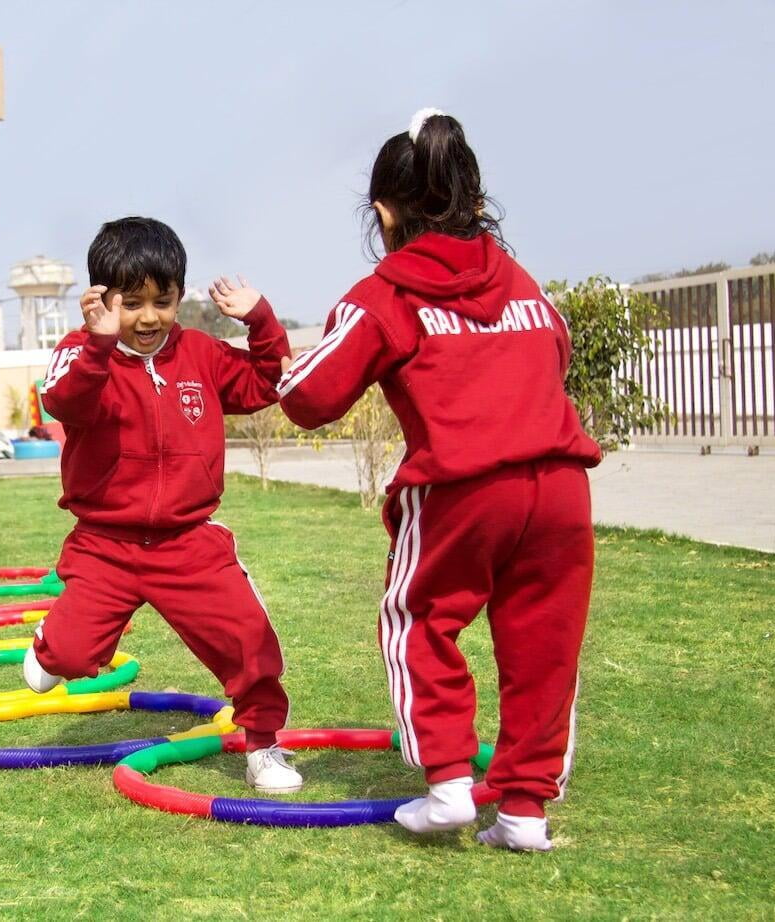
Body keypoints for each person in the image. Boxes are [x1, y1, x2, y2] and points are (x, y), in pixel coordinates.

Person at [248, 109, 601, 850]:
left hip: (463, 490)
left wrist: (275, 349)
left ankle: (447, 785)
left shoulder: (386, 294)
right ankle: (525, 813)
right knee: (546, 645)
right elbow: (557, 353)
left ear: (383, 212)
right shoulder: (522, 282)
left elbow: (309, 397)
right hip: (563, 484)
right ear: (475, 202)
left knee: (418, 620)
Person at [21, 216, 301, 793]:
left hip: (188, 542)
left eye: (163, 301)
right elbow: (64, 401)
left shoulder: (200, 354)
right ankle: (55, 648)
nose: (148, 317)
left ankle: (264, 747)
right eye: (133, 302)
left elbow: (265, 382)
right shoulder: (78, 352)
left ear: (178, 297)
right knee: (69, 661)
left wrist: (261, 320)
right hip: (107, 546)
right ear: (101, 299)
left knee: (249, 641)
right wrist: (99, 343)